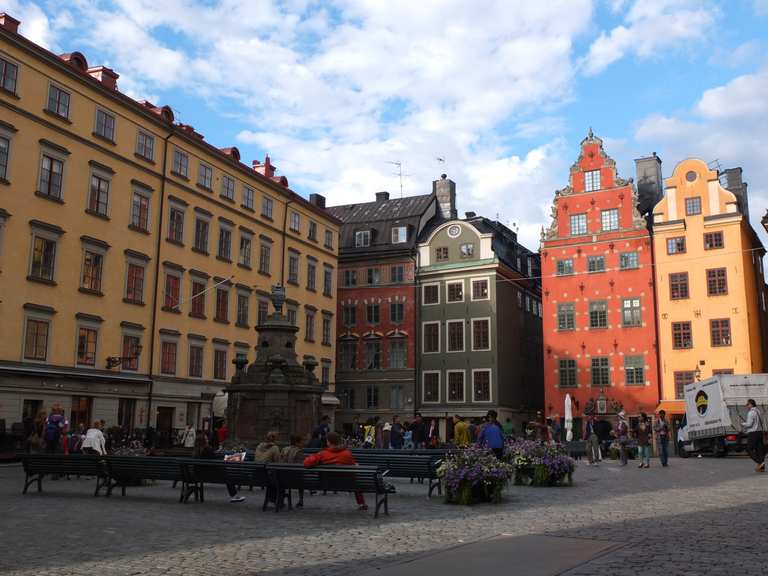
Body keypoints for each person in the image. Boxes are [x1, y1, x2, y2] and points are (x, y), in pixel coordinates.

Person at [303, 432, 367, 510]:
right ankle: (361, 503)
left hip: (326, 483)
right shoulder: (347, 454)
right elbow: (353, 467)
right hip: (347, 484)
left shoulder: (323, 454)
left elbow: (307, 463)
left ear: (329, 442)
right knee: (354, 479)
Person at [195, 433, 244, 502]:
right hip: (209, 475)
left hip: (198, 475)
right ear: (203, 441)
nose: (208, 440)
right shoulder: (207, 450)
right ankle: (234, 496)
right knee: (227, 475)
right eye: (206, 439)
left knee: (225, 472)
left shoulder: (195, 452)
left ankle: (234, 495)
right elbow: (215, 461)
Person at [281, 434, 306, 507]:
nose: (303, 443)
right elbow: (300, 466)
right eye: (302, 442)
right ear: (296, 443)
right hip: (295, 478)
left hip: (283, 478)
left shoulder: (284, 449)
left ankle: (281, 500)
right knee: (301, 478)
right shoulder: (299, 451)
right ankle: (301, 500)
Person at [742, 399, 765, 472]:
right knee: (759, 450)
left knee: (748, 449)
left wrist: (742, 424)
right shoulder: (758, 411)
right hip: (760, 432)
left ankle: (760, 462)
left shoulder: (751, 412)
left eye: (747, 404)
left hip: (753, 433)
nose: (747, 406)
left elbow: (749, 424)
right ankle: (761, 468)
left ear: (751, 404)